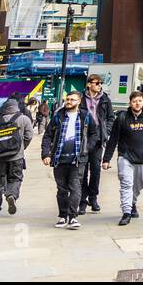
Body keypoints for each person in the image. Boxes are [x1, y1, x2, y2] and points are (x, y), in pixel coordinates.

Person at [102, 90, 143, 226]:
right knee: (126, 184)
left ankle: (132, 202)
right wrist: (106, 159)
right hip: (125, 156)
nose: (137, 103)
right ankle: (126, 212)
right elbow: (113, 139)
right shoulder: (122, 118)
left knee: (138, 185)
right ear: (130, 103)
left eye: (139, 101)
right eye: (134, 101)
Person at [40, 91, 91, 228]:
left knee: (75, 187)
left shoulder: (85, 116)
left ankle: (73, 217)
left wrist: (87, 148)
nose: (69, 101)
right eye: (67, 99)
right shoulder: (58, 116)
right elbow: (47, 136)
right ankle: (63, 216)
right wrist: (46, 154)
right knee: (61, 189)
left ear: (79, 101)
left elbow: (94, 134)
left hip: (77, 159)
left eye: (72, 99)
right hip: (59, 158)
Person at [0, 97, 33, 216]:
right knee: (15, 178)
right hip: (17, 157)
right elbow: (29, 136)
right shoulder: (24, 119)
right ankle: (11, 195)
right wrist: (21, 149)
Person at [79, 74, 114, 214]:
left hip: (98, 138)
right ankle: (82, 200)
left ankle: (93, 197)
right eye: (97, 83)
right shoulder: (80, 98)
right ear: (89, 84)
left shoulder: (105, 99)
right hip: (82, 138)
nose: (99, 85)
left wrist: (106, 131)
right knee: (81, 171)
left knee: (95, 170)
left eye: (100, 83)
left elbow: (111, 117)